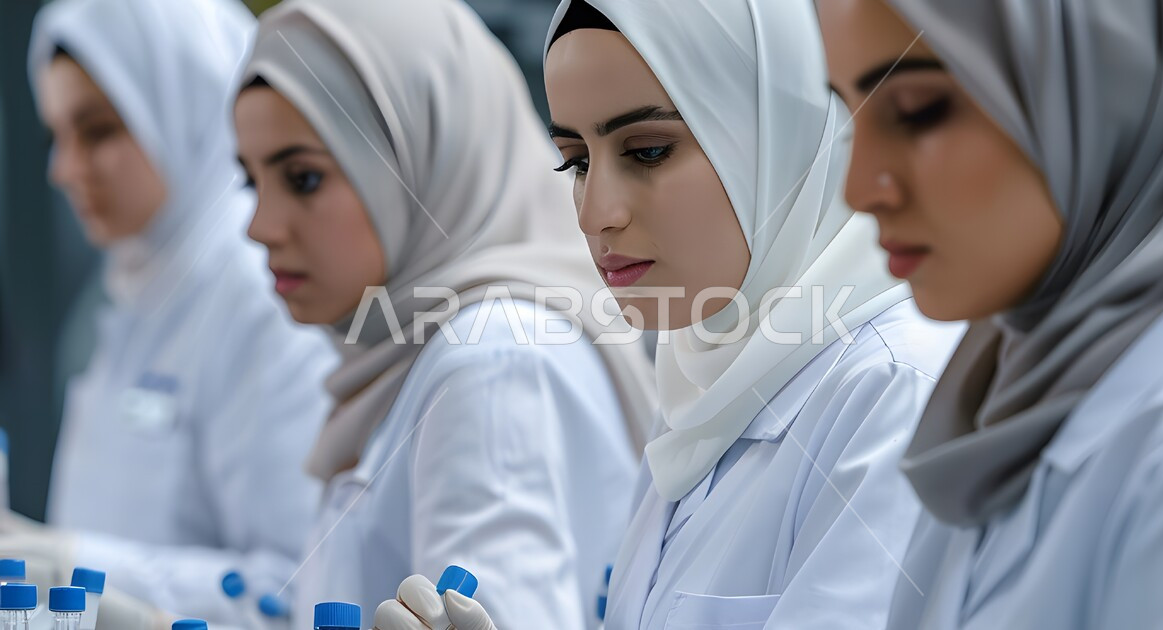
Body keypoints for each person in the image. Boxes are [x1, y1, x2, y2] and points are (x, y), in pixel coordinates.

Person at [377, 1, 963, 628]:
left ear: (783, 133)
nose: (594, 211)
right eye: (576, 161)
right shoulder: (703, 379)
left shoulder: (897, 392)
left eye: (648, 151)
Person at [233, 0, 656, 628]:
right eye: (250, 181)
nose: (260, 227)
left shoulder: (492, 359)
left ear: (423, 153)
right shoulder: (423, 350)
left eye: (304, 179)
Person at [816, 0, 1163, 628]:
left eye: (919, 111)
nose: (859, 189)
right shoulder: (991, 402)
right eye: (849, 118)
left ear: (1114, 86)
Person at [22, 0, 338, 624]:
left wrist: (68, 565)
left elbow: (302, 587)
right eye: (56, 134)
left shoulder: (268, 293)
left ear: (188, 102)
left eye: (98, 130)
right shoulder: (133, 287)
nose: (64, 169)